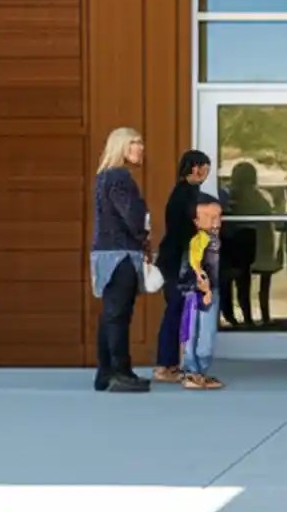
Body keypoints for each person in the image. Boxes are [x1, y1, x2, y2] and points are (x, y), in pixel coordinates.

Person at [89, 127, 151, 393]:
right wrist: (144, 232)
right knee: (118, 315)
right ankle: (120, 372)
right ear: (122, 147)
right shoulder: (120, 177)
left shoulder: (104, 177)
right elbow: (132, 216)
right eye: (134, 143)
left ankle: (106, 373)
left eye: (141, 142)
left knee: (110, 315)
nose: (140, 148)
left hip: (106, 253)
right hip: (121, 253)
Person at [153, 149, 210, 384]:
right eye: (205, 167)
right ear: (195, 168)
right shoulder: (185, 195)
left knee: (179, 311)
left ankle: (172, 362)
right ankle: (165, 364)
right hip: (178, 261)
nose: (206, 172)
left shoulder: (187, 193)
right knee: (175, 310)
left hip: (179, 259)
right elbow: (183, 231)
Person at [179, 195, 224, 390]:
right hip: (197, 292)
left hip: (210, 289)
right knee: (195, 331)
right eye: (209, 218)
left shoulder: (214, 239)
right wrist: (203, 286)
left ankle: (200, 371)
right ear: (196, 222)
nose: (216, 223)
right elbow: (194, 263)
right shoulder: (199, 240)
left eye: (218, 217)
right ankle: (191, 371)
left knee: (207, 331)